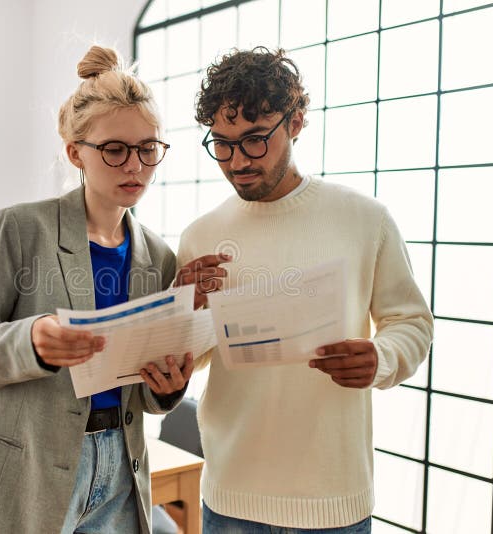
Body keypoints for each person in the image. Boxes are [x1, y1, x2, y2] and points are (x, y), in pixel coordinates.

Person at [0, 45, 194, 534]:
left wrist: (170, 385)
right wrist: (31, 340)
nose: (134, 166)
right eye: (114, 149)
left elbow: (147, 394)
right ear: (76, 152)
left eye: (148, 149)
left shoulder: (159, 256)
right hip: (26, 464)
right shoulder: (19, 228)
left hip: (121, 464)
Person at [175, 47, 434, 533]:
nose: (236, 162)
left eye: (254, 140)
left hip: (335, 501)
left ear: (295, 122)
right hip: (232, 499)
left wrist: (381, 358)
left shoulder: (364, 219)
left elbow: (412, 323)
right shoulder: (200, 235)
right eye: (222, 144)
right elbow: (194, 356)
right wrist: (183, 309)